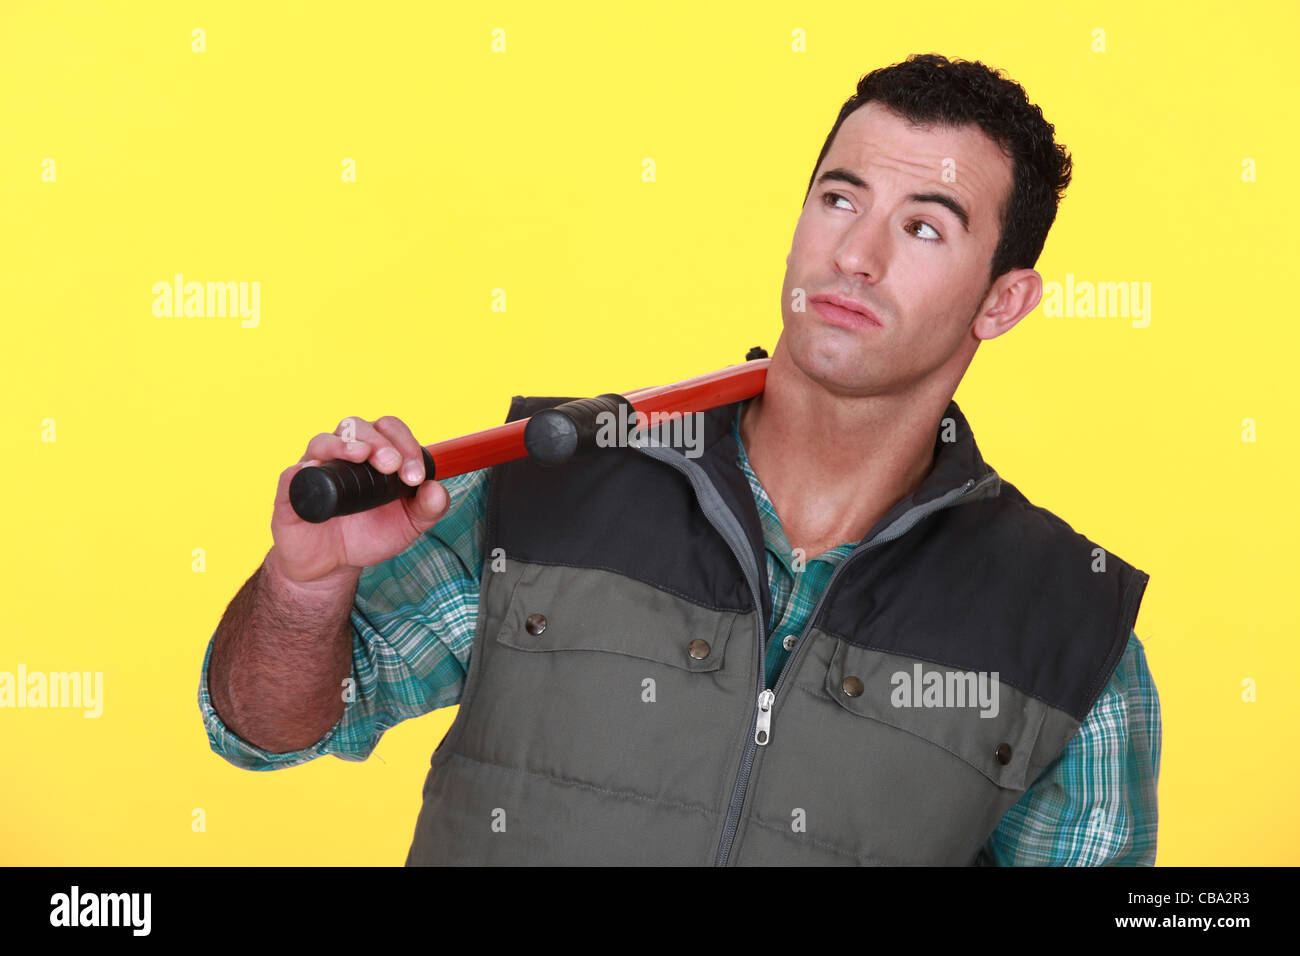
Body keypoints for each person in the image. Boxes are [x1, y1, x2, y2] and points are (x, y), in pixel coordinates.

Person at [199, 53, 1160, 865]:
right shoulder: (549, 487)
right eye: (840, 198)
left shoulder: (1070, 629)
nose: (856, 256)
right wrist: (306, 585)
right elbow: (267, 730)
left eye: (923, 226)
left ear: (1004, 302)